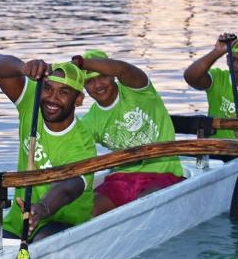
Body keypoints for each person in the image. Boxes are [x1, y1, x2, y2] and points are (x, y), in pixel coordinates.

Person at [0, 55, 97, 240]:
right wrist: (23, 67)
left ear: (78, 100)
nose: (52, 99)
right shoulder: (31, 103)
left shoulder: (83, 143)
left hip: (63, 222)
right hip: (19, 221)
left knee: (40, 242)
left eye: (63, 92)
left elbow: (69, 187)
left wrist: (41, 208)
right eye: (47, 88)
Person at [72, 49, 185, 216]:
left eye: (103, 76)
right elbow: (72, 153)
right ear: (83, 87)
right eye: (90, 81)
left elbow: (124, 69)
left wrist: (80, 63)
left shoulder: (138, 90)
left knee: (146, 204)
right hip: (121, 180)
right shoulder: (89, 121)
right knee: (86, 213)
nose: (98, 85)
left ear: (113, 75)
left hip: (163, 174)